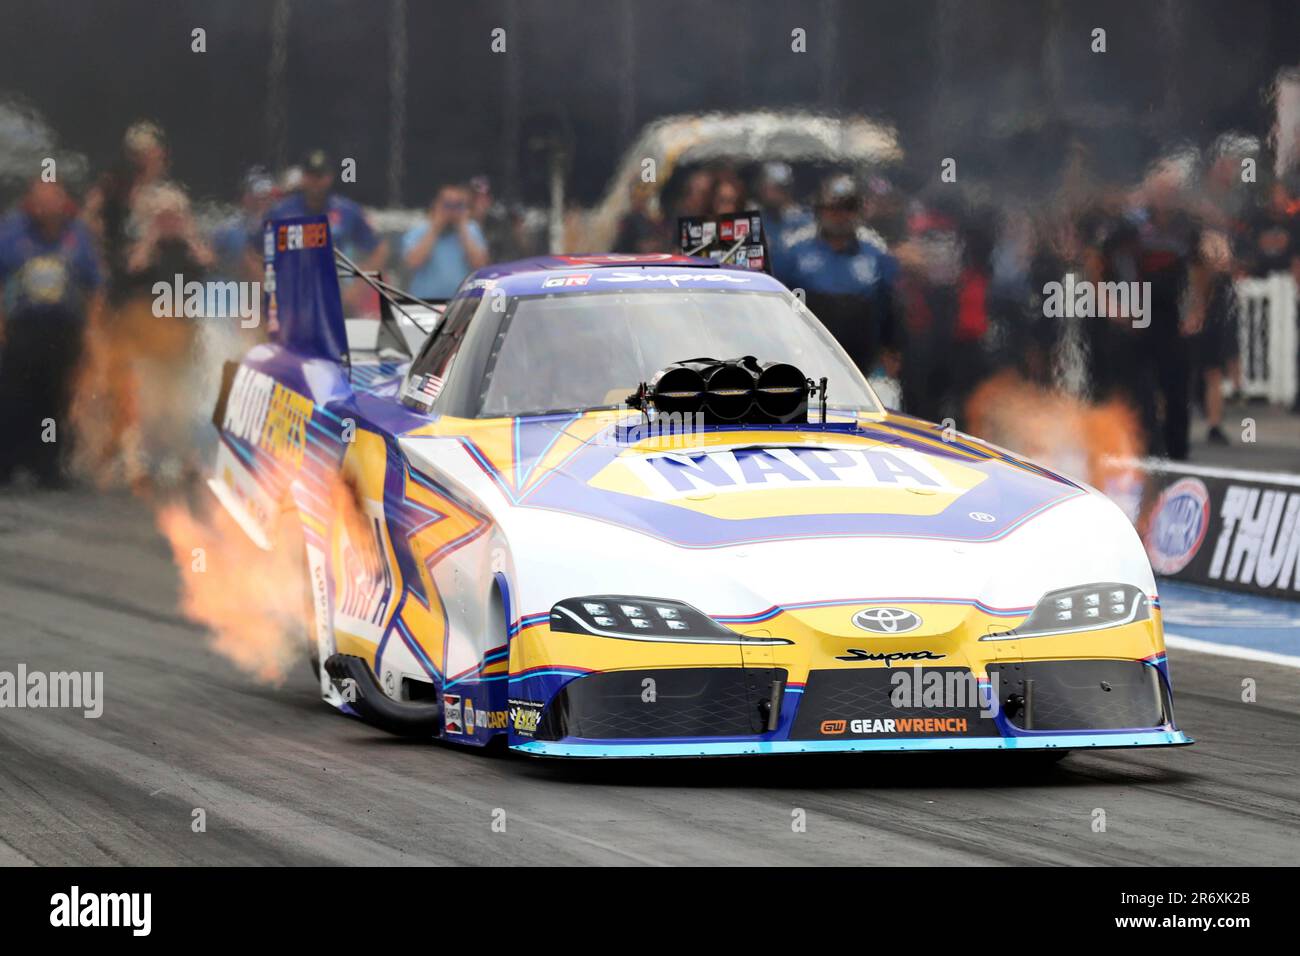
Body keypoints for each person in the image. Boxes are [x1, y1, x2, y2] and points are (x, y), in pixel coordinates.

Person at [0, 180, 103, 485]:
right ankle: (6, 463)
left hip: (63, 330)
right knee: (13, 398)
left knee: (56, 399)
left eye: (54, 200)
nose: (47, 207)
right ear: (31, 203)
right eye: (41, 200)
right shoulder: (12, 233)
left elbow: (94, 286)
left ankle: (47, 465)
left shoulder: (77, 236)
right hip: (23, 328)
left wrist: (92, 330)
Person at [777, 174, 899, 379]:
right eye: (833, 207)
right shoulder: (794, 250)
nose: (840, 214)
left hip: (863, 365)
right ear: (820, 210)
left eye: (848, 207)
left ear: (858, 211)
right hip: (805, 358)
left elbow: (890, 307)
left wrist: (891, 349)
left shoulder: (876, 252)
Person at [265, 149, 387, 313]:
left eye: (320, 176)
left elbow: (380, 249)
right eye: (311, 176)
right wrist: (269, 288)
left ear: (330, 177)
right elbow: (253, 252)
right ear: (304, 177)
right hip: (292, 301)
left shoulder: (346, 211)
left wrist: (358, 286)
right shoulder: (282, 212)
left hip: (336, 299)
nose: (316, 182)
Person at [401, 184, 489, 300]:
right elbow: (412, 263)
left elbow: (481, 265)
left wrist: (463, 229)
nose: (452, 211)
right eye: (447, 205)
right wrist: (436, 228)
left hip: (461, 303)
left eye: (458, 205)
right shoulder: (419, 230)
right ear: (436, 205)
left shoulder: (471, 230)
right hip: (425, 302)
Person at [755, 162, 812, 270]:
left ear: (788, 190)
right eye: (769, 188)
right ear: (761, 189)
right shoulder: (754, 221)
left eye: (780, 188)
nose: (774, 194)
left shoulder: (805, 221)